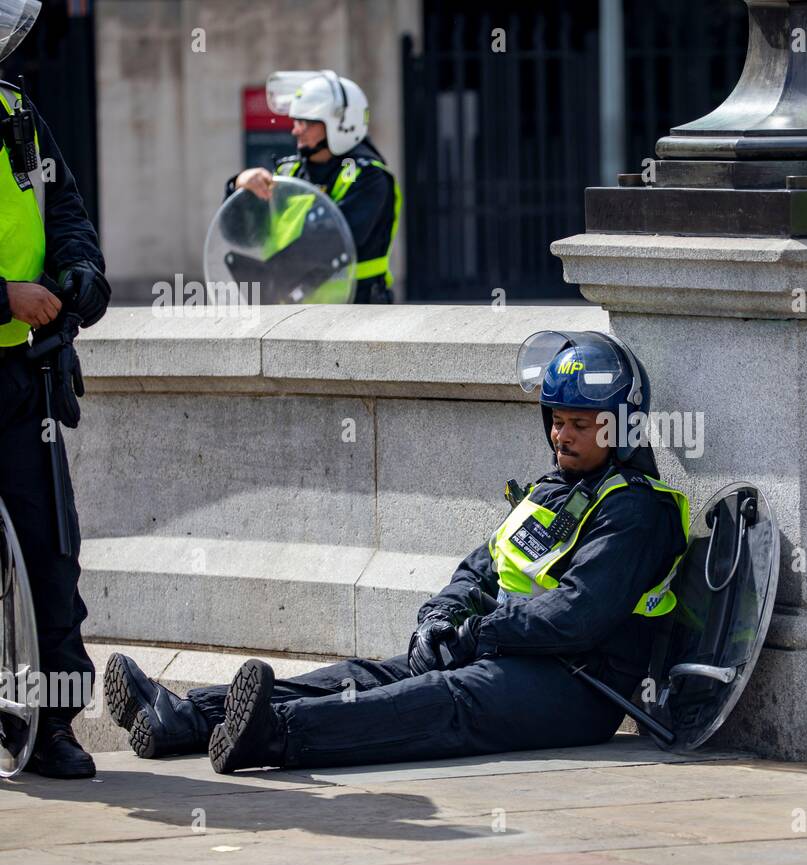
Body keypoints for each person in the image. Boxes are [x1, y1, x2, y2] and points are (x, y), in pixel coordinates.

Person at [105, 331, 691, 773]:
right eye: (557, 421)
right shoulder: (552, 490)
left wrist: (479, 634)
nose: (562, 436)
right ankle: (187, 717)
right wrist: (441, 618)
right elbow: (481, 569)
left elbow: (577, 613)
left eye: (580, 425)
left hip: (579, 687)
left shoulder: (637, 510)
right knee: (374, 673)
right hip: (510, 652)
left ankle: (274, 734)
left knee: (439, 699)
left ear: (621, 428)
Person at [0, 0, 112, 778]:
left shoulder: (18, 111)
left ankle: (54, 726)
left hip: (24, 374)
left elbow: (64, 208)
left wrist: (79, 273)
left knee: (50, 555)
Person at [227, 70, 401, 304]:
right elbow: (242, 235)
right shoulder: (289, 172)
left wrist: (268, 278)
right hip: (290, 313)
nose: (295, 130)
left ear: (341, 124)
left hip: (357, 314)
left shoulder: (368, 177)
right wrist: (239, 186)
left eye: (305, 122)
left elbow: (330, 242)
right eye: (296, 121)